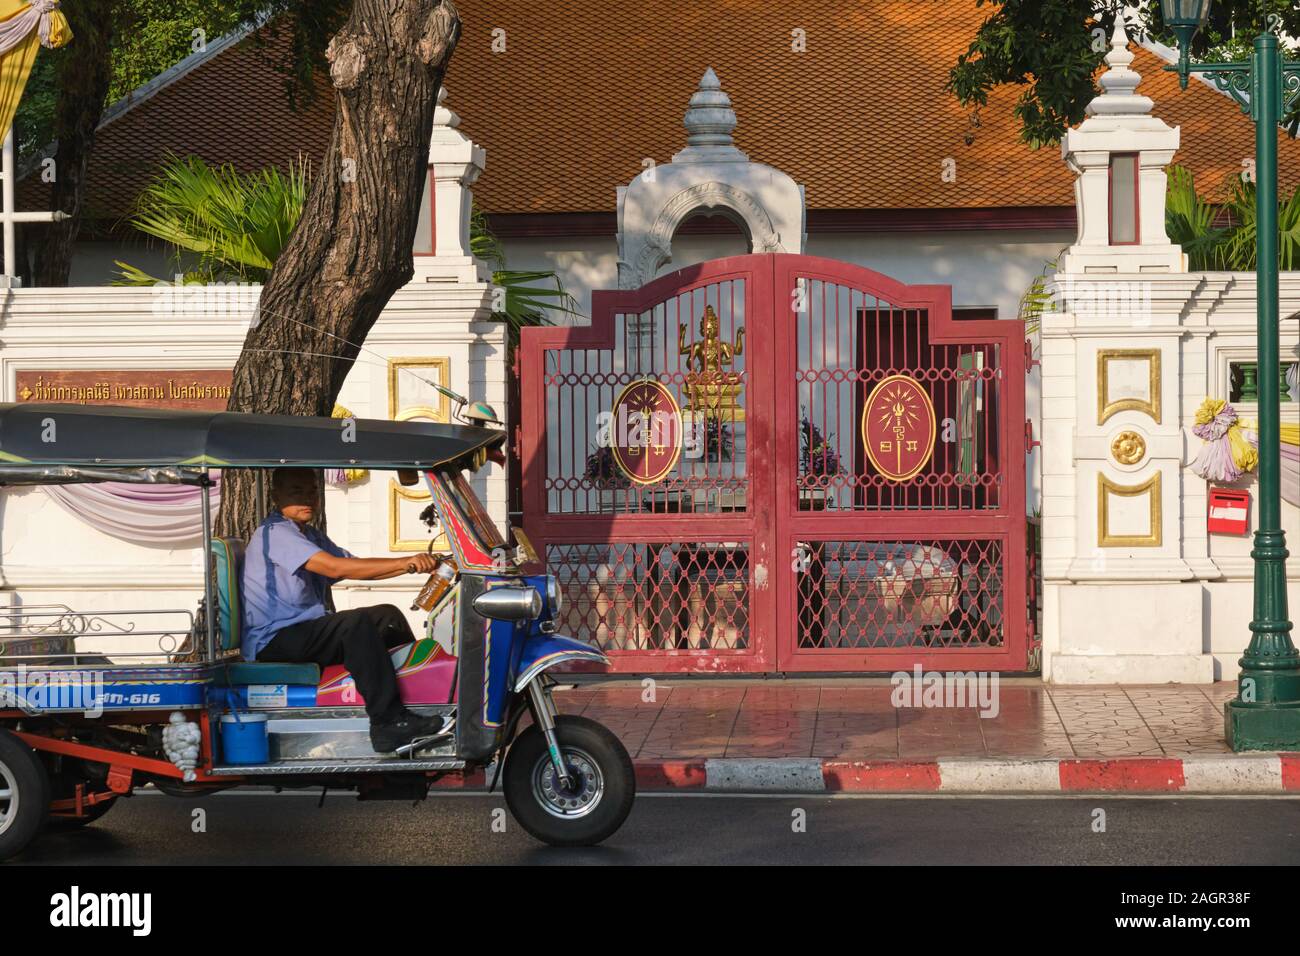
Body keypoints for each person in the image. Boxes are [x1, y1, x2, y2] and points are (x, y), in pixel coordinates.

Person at [241, 467, 446, 753]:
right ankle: (387, 721)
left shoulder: (308, 534)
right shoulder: (275, 533)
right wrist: (404, 562)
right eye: (296, 492)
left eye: (312, 491)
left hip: (303, 631)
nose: (307, 499)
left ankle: (415, 699)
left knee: (387, 616)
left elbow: (357, 568)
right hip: (275, 639)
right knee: (355, 623)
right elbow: (335, 567)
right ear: (276, 496)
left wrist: (418, 564)